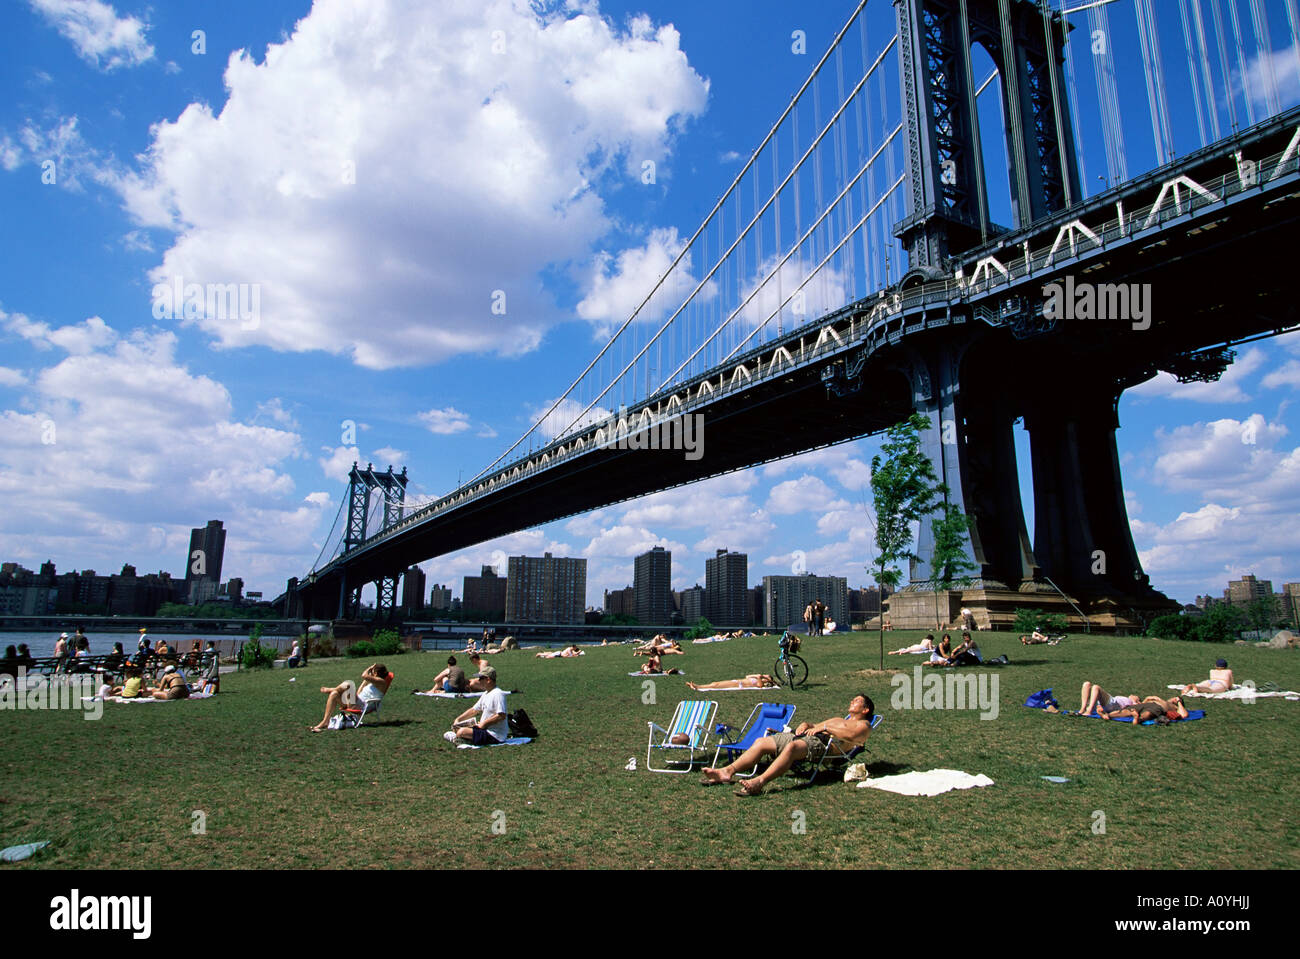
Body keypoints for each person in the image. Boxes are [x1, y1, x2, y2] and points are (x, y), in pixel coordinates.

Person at [701, 695, 875, 796]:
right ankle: (726, 772)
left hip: (824, 747)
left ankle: (759, 782)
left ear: (865, 710)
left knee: (791, 748)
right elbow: (815, 725)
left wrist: (826, 728)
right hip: (807, 737)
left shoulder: (864, 726)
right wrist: (806, 724)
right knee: (761, 742)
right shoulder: (838, 719)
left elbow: (853, 737)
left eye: (857, 700)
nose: (852, 701)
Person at [310, 663, 392, 732]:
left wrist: (369, 668)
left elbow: (363, 675)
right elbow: (359, 692)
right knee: (334, 694)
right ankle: (325, 721)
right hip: (356, 702)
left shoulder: (382, 682)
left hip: (362, 706)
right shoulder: (373, 683)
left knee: (349, 684)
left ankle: (332, 689)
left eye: (373, 672)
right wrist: (365, 681)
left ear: (376, 673)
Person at [444, 666, 509, 746]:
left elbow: (501, 715)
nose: (478, 680)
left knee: (461, 732)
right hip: (484, 729)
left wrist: (483, 724)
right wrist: (458, 719)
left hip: (495, 735)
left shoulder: (498, 694)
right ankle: (461, 739)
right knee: (456, 730)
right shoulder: (486, 693)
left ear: (488, 680)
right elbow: (474, 710)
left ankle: (459, 739)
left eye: (481, 678)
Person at [1108, 695, 1189, 725]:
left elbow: (1184, 715)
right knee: (1128, 710)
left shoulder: (1175, 707)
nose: (1174, 699)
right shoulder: (1163, 700)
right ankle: (1108, 715)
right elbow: (1144, 702)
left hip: (1158, 707)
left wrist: (1179, 702)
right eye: (1175, 697)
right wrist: (1149, 698)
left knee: (1148, 713)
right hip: (1146, 704)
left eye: (1177, 699)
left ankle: (1138, 719)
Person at [686, 674, 778, 691]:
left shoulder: (760, 683)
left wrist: (760, 676)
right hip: (736, 681)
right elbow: (747, 676)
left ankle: (697, 687)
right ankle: (697, 686)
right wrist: (759, 675)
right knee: (715, 683)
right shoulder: (758, 678)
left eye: (766, 677)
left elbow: (760, 686)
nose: (764, 677)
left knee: (715, 685)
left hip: (738, 684)